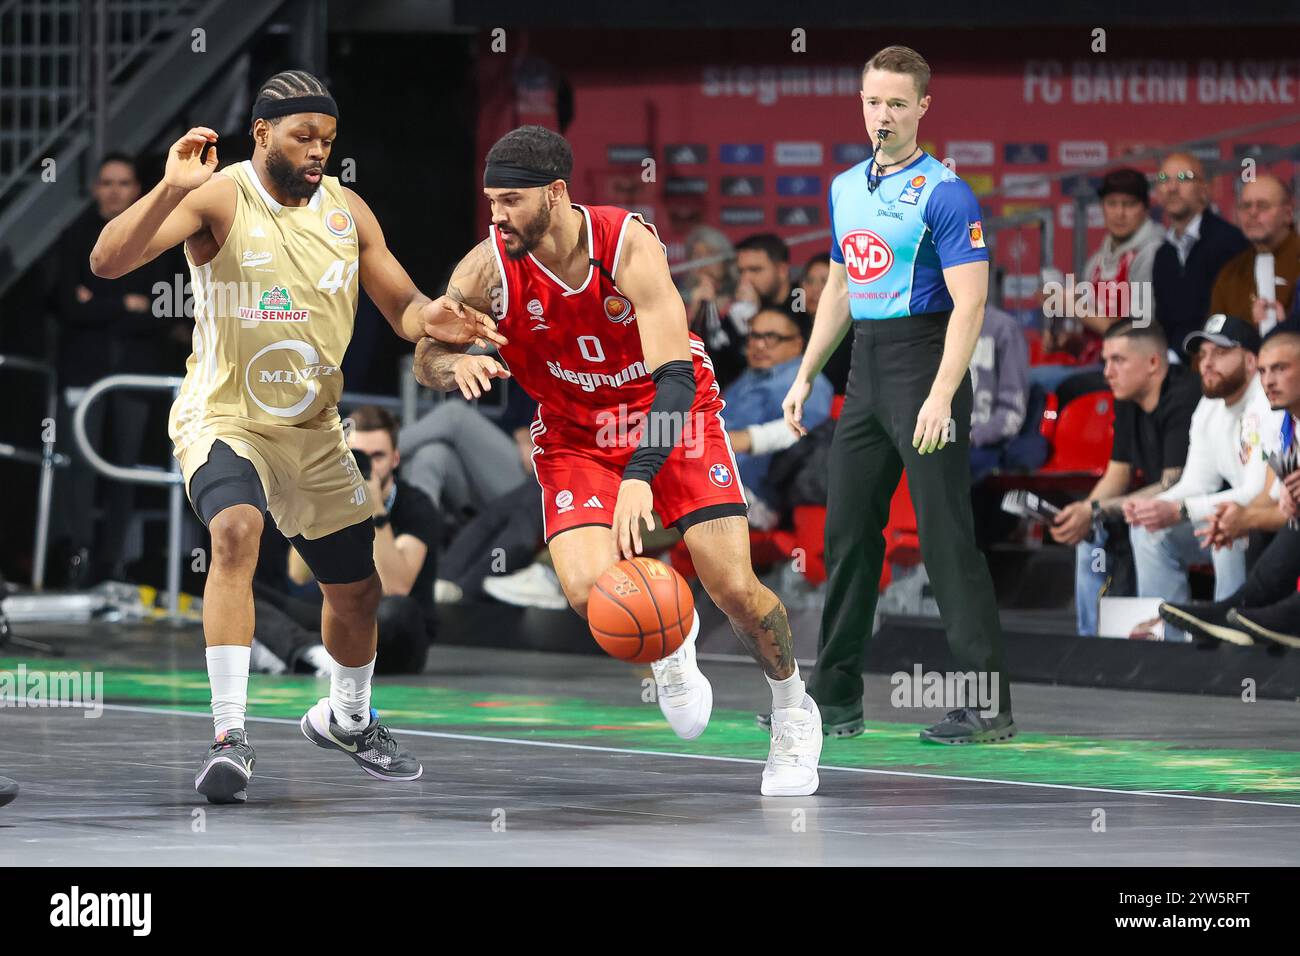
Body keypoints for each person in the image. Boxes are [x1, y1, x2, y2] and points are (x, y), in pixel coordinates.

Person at [89, 70, 501, 804]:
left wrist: (431, 320)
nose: (319, 152)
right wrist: (167, 189)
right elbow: (108, 261)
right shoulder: (220, 195)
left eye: (329, 140)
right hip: (226, 417)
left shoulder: (349, 211)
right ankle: (229, 737)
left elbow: (401, 302)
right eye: (304, 136)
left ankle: (347, 717)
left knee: (359, 595)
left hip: (312, 432)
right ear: (261, 134)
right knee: (236, 532)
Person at [413, 124, 823, 796]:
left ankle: (792, 711)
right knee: (585, 590)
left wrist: (639, 476)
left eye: (512, 200)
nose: (498, 216)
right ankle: (671, 643)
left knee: (734, 589)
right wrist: (452, 358)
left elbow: (676, 380)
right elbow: (425, 355)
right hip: (575, 432)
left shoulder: (626, 247)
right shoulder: (484, 271)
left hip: (670, 415)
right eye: (491, 201)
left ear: (556, 193)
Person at [783, 45, 1015, 743]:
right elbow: (842, 287)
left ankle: (987, 706)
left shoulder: (947, 192)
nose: (882, 115)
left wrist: (943, 394)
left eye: (896, 103)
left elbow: (970, 306)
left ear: (922, 108)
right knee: (847, 536)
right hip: (865, 372)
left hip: (926, 362)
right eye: (872, 102)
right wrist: (803, 374)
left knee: (947, 539)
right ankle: (836, 698)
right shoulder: (846, 187)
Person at [50, 152, 189, 585]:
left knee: (127, 468)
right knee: (79, 469)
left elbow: (166, 311)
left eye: (123, 183)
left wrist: (100, 305)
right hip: (83, 372)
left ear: (137, 188)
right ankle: (76, 560)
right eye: (106, 182)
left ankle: (112, 565)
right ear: (94, 189)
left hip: (134, 374)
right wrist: (126, 305)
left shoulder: (157, 237)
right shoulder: (73, 236)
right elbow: (64, 305)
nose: (114, 191)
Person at [253, 405, 441, 674]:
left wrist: (374, 507)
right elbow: (298, 574)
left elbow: (395, 587)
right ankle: (309, 653)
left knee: (397, 610)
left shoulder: (416, 505)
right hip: (337, 610)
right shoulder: (333, 495)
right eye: (356, 456)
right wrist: (323, 505)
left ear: (395, 459)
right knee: (244, 594)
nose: (368, 466)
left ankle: (286, 652)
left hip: (393, 629)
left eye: (378, 456)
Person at [1125, 315, 1279, 637]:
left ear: (1251, 361)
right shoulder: (1208, 407)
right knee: (1148, 531)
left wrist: (1180, 510)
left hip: (1273, 522)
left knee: (1227, 525)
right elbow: (1196, 483)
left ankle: (1231, 632)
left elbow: (1256, 492)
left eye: (1220, 353)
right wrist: (1154, 507)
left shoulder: (1267, 401)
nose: (1207, 363)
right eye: (1203, 354)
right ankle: (1168, 638)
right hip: (1245, 516)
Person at [1050, 321, 1201, 635]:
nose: (1107, 372)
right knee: (1089, 534)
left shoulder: (1185, 395)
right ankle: (1091, 641)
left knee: (1144, 529)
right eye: (1106, 361)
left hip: (1196, 510)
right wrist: (1083, 513)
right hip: (1159, 507)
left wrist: (1094, 509)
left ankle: (1164, 646)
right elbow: (1118, 472)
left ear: (1153, 363)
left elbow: (1173, 484)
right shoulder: (1127, 394)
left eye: (1118, 360)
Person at [1160, 329, 1300, 645]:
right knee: (1251, 523)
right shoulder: (1283, 426)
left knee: (1254, 521)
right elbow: (1271, 499)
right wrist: (1240, 519)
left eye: (1280, 368)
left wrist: (1247, 518)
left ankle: (1260, 610)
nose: (1269, 380)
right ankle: (1242, 609)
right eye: (1264, 371)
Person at [723, 305, 834, 526]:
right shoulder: (747, 377)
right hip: (710, 473)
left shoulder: (806, 379)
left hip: (753, 495)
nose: (758, 344)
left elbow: (805, 430)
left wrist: (746, 439)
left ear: (797, 344)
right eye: (754, 336)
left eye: (771, 337)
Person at [1150, 152, 1249, 360]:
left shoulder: (1229, 243)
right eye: (1163, 179)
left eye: (1184, 178)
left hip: (1217, 359)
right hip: (1170, 361)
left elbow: (1229, 321)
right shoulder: (1163, 254)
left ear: (1205, 188)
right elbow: (1164, 323)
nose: (1172, 187)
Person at [1210, 176, 1300, 336]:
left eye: (1263, 206)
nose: (1252, 212)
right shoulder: (1230, 273)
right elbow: (1214, 337)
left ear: (1288, 213)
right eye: (1245, 206)